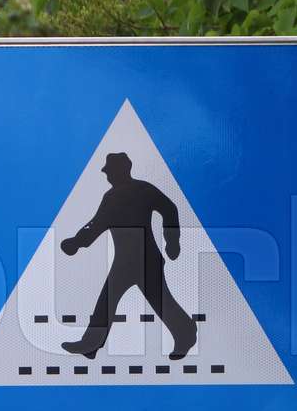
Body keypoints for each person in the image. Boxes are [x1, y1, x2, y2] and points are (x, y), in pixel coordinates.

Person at [59, 152, 197, 360]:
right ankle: (91, 343)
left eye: (110, 171)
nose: (107, 176)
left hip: (147, 257)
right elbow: (96, 224)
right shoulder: (111, 197)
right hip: (124, 260)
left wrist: (172, 241)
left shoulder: (143, 189)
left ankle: (185, 333)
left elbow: (169, 209)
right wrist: (77, 242)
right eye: (107, 172)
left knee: (161, 302)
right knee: (108, 300)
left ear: (122, 170)